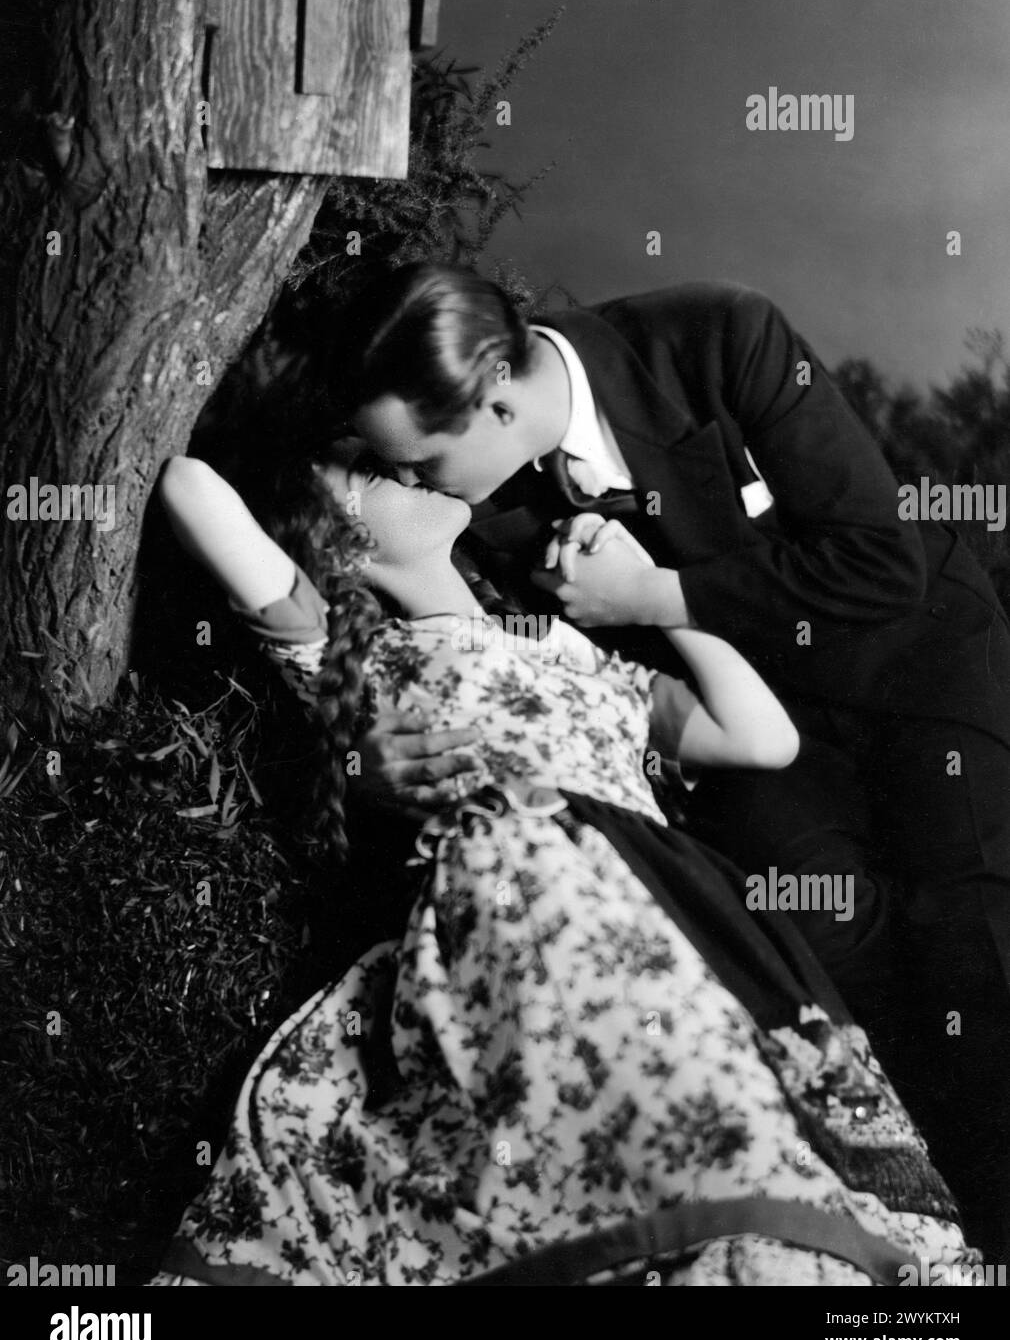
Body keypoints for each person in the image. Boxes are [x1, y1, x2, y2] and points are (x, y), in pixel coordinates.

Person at [147, 449, 977, 1286]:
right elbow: (187, 483)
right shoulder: (357, 660)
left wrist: (654, 585)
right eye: (375, 475)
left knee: (762, 1142)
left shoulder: (567, 650)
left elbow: (763, 737)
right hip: (532, 900)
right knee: (692, 1141)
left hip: (675, 909)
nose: (415, 472)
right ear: (339, 544)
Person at [338, 263, 1010, 1260]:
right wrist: (356, 744)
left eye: (425, 459)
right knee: (819, 953)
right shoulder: (465, 498)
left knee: (968, 947)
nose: (415, 482)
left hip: (912, 660)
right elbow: (417, 600)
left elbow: (878, 562)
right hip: (756, 732)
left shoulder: (717, 336)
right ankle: (924, 1242)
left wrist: (658, 595)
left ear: (495, 398)